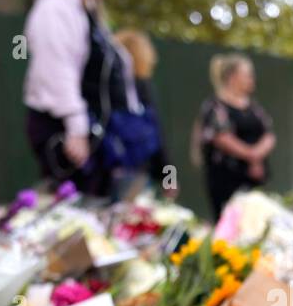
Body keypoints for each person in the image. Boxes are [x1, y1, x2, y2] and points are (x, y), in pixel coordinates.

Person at [22, 0, 154, 199]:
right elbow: (55, 68)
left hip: (94, 135)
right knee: (71, 213)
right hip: (64, 130)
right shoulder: (56, 7)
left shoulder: (89, 13)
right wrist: (76, 127)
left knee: (97, 215)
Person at [194, 53, 276, 219]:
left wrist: (257, 157)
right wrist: (251, 155)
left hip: (254, 180)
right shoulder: (216, 107)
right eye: (247, 75)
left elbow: (269, 134)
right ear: (232, 77)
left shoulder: (254, 107)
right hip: (226, 181)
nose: (252, 79)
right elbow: (221, 137)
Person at [114, 29, 177, 200]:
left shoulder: (108, 87)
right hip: (136, 171)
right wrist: (169, 178)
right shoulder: (142, 86)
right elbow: (158, 134)